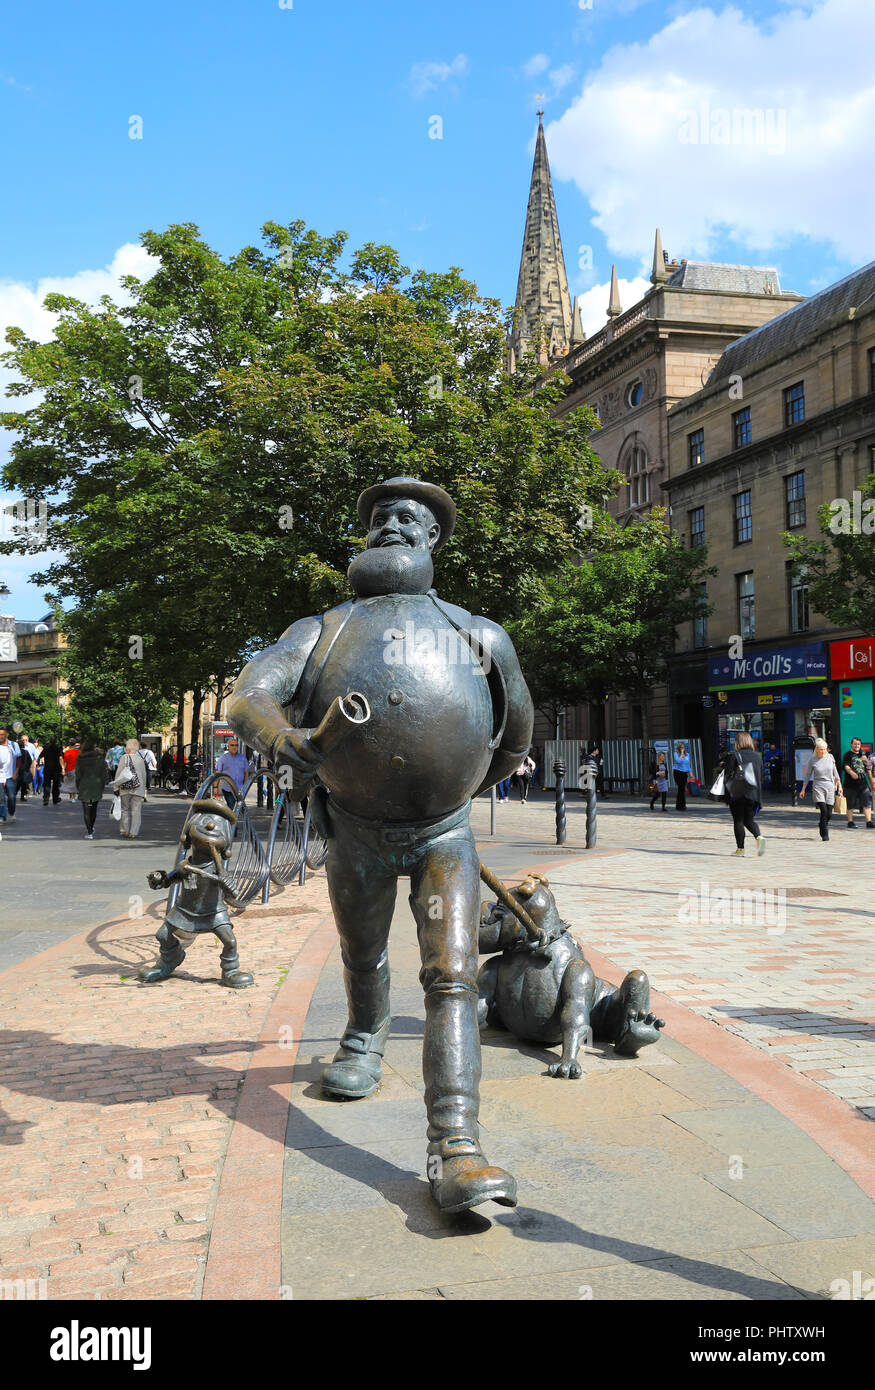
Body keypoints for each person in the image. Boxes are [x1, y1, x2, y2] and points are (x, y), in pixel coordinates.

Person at [228, 475, 533, 1214]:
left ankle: (456, 1147)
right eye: (380, 518)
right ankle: (364, 1036)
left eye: (409, 518)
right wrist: (284, 735)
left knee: (452, 976)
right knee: (360, 951)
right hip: (355, 830)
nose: (391, 526)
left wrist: (451, 789)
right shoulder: (322, 628)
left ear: (433, 540)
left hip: (443, 836)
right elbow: (248, 694)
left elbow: (514, 735)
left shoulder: (478, 633)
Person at [723, 732, 765, 855]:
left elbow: (728, 776)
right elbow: (760, 776)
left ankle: (740, 849)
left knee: (738, 820)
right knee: (749, 820)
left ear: (737, 743)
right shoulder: (757, 756)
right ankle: (759, 837)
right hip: (753, 794)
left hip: (738, 793)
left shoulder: (734, 756)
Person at [799, 739, 842, 841]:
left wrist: (840, 786)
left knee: (829, 813)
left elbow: (835, 773)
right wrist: (803, 789)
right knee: (823, 810)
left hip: (830, 786)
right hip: (818, 786)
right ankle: (824, 833)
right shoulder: (812, 760)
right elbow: (808, 775)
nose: (823, 751)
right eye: (821, 749)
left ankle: (822, 824)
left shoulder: (830, 757)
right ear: (817, 749)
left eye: (824, 749)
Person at [112, 738, 148, 839]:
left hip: (125, 788)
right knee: (136, 811)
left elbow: (119, 773)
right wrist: (144, 788)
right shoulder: (140, 759)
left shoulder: (124, 758)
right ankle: (134, 832)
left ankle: (124, 830)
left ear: (128, 748)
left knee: (125, 809)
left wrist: (116, 787)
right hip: (138, 787)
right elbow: (143, 775)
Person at [75, 735, 106, 839]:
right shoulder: (99, 757)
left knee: (86, 810)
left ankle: (89, 832)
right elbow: (103, 773)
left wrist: (78, 785)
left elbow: (78, 774)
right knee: (94, 810)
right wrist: (102, 785)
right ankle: (92, 827)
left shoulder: (80, 757)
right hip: (96, 784)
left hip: (84, 785)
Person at [841, 737, 874, 828]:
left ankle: (869, 821)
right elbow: (846, 766)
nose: (857, 746)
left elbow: (869, 766)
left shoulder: (863, 754)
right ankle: (850, 822)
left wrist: (866, 760)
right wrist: (851, 772)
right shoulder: (847, 755)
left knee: (867, 803)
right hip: (850, 784)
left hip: (863, 783)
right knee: (850, 804)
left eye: (858, 744)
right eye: (855, 744)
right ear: (852, 744)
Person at [214, 737, 251, 812]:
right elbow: (218, 773)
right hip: (228, 789)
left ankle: (233, 822)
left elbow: (246, 773)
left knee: (240, 808)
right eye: (232, 745)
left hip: (239, 789)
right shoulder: (223, 758)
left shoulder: (242, 758)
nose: (234, 747)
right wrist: (215, 787)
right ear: (228, 747)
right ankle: (232, 822)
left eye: (236, 745)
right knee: (231, 807)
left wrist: (245, 786)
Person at [0, 728, 18, 826]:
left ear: (7, 735)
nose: (0, 736)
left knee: (11, 796)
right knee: (1, 797)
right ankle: (2, 816)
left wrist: (16, 772)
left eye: (2, 734)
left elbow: (19, 759)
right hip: (0, 776)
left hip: (11, 775)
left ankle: (11, 812)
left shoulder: (13, 746)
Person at [39, 737, 65, 805]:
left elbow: (40, 756)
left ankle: (46, 799)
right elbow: (61, 757)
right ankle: (55, 799)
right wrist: (63, 768)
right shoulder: (57, 748)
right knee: (56, 785)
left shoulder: (46, 748)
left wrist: (40, 763)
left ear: (49, 741)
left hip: (47, 768)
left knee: (47, 784)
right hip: (56, 769)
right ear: (55, 741)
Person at [16, 733, 35, 801]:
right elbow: (30, 760)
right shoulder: (25, 752)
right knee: (24, 783)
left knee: (18, 783)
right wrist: (27, 767)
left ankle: (14, 795)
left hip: (17, 769)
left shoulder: (15, 752)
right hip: (24, 769)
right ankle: (22, 797)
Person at [673, 741, 690, 810]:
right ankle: (679, 806)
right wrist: (681, 754)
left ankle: (682, 805)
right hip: (677, 772)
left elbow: (687, 764)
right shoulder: (676, 754)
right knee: (680, 788)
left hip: (684, 773)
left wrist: (691, 773)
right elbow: (679, 761)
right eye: (681, 747)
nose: (683, 749)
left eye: (683, 747)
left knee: (682, 789)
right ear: (679, 748)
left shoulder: (687, 755)